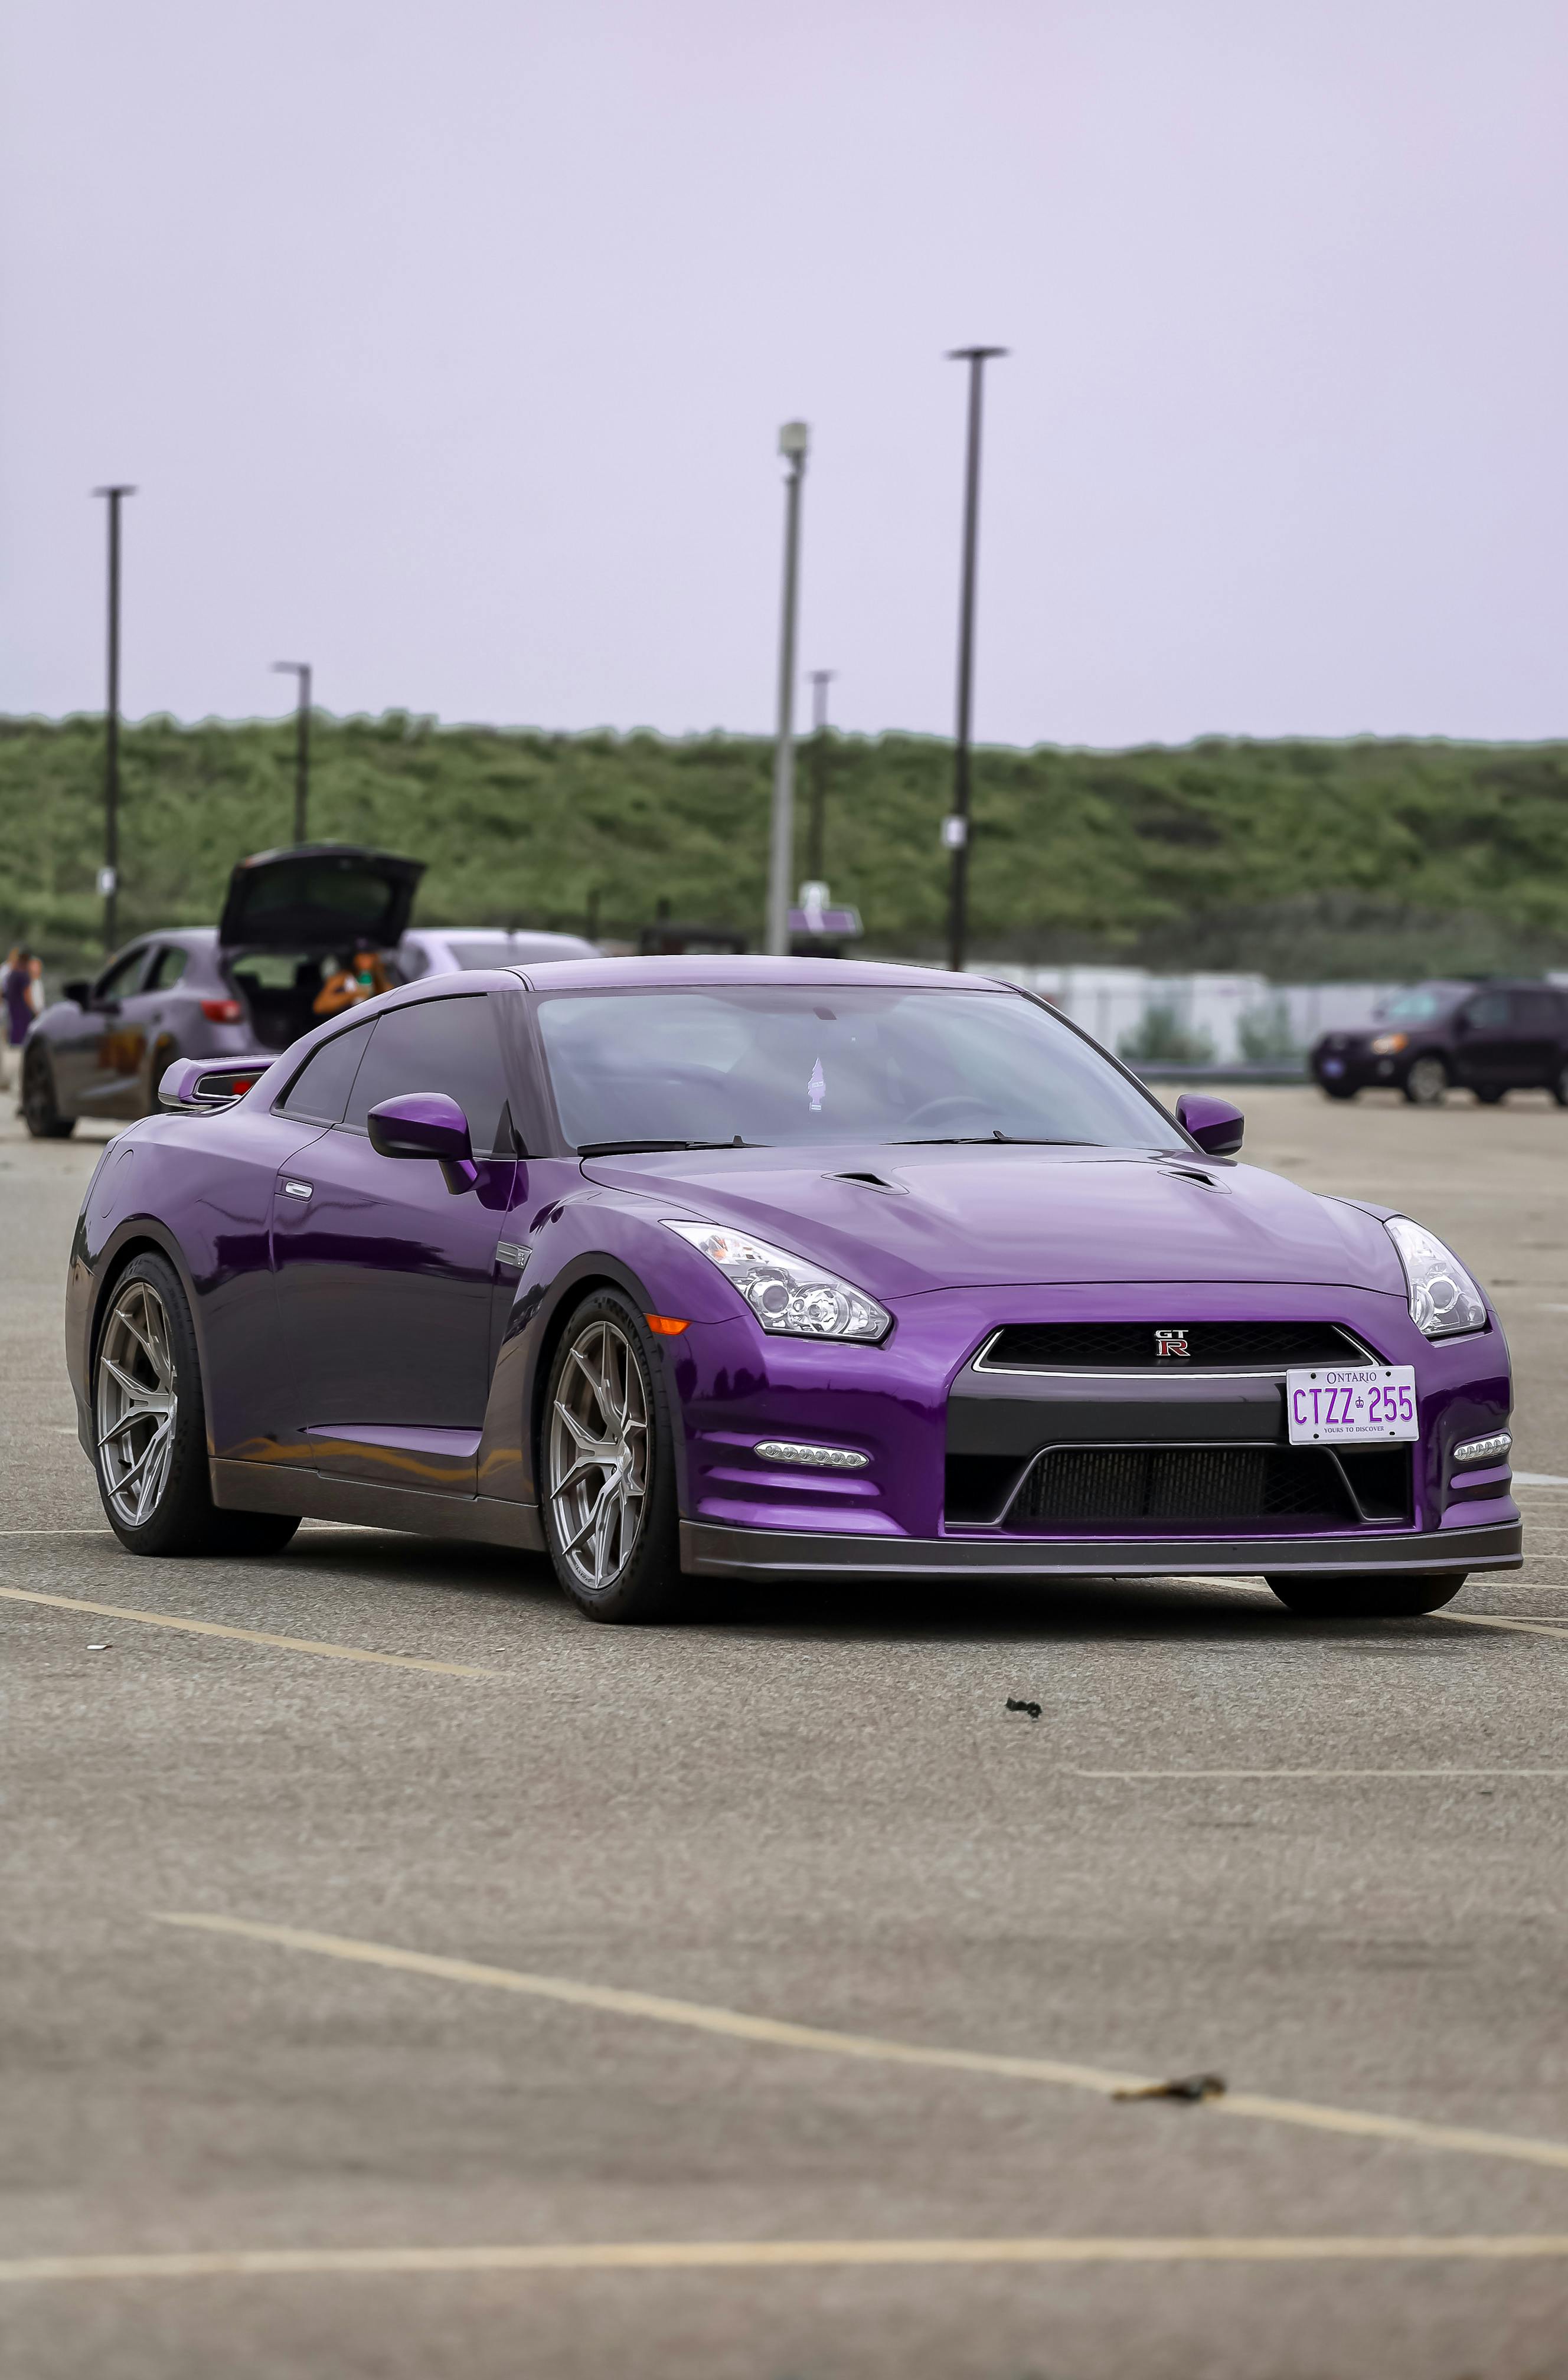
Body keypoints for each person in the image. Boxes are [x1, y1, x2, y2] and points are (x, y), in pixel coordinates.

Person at [312, 946, 393, 1018]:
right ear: (355, 959)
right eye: (362, 957)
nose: (366, 961)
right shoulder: (342, 978)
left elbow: (392, 999)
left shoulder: (378, 979)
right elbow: (319, 1006)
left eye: (369, 957)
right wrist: (353, 994)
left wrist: (378, 974)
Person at [3, 946, 39, 1091]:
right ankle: (21, 1082)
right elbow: (27, 995)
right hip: (23, 1013)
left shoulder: (11, 973)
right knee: (23, 1048)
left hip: (12, 1013)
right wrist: (35, 1011)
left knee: (14, 1045)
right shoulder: (23, 975)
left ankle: (11, 1080)